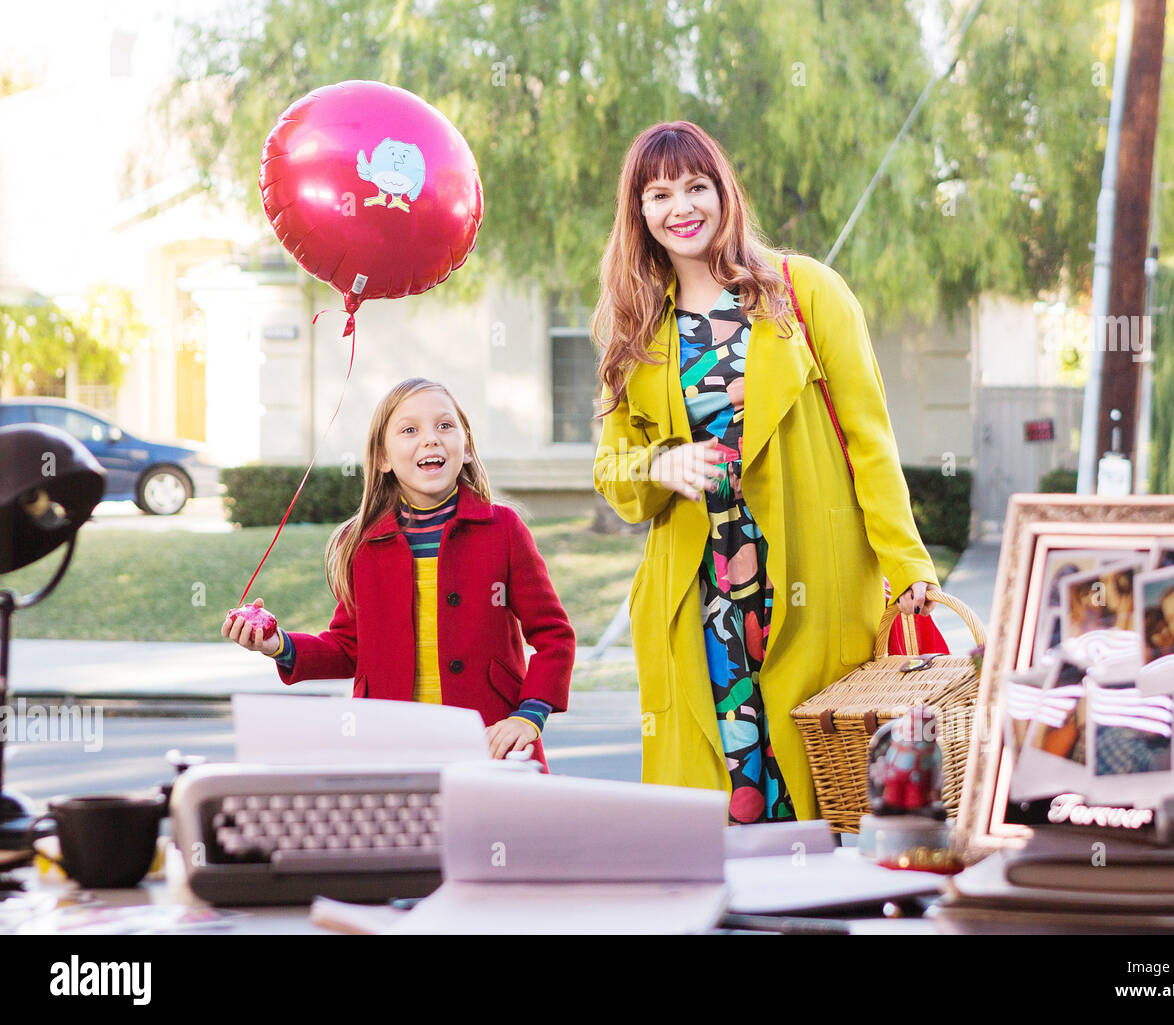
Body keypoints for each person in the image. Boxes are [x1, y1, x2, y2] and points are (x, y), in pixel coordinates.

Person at [592, 121, 938, 823]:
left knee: (817, 774)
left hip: (811, 575)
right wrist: (662, 464)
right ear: (639, 214)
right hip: (699, 596)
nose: (681, 206)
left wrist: (908, 565)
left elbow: (870, 440)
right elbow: (613, 473)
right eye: (658, 194)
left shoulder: (804, 291)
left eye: (697, 185)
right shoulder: (634, 328)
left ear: (725, 192)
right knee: (726, 783)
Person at [222, 378, 575, 768]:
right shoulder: (362, 544)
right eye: (410, 430)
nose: (431, 440)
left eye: (445, 426)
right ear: (383, 459)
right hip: (391, 744)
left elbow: (554, 636)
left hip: (489, 741)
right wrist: (279, 645)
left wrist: (529, 716)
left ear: (468, 447)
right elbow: (348, 648)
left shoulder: (503, 529)